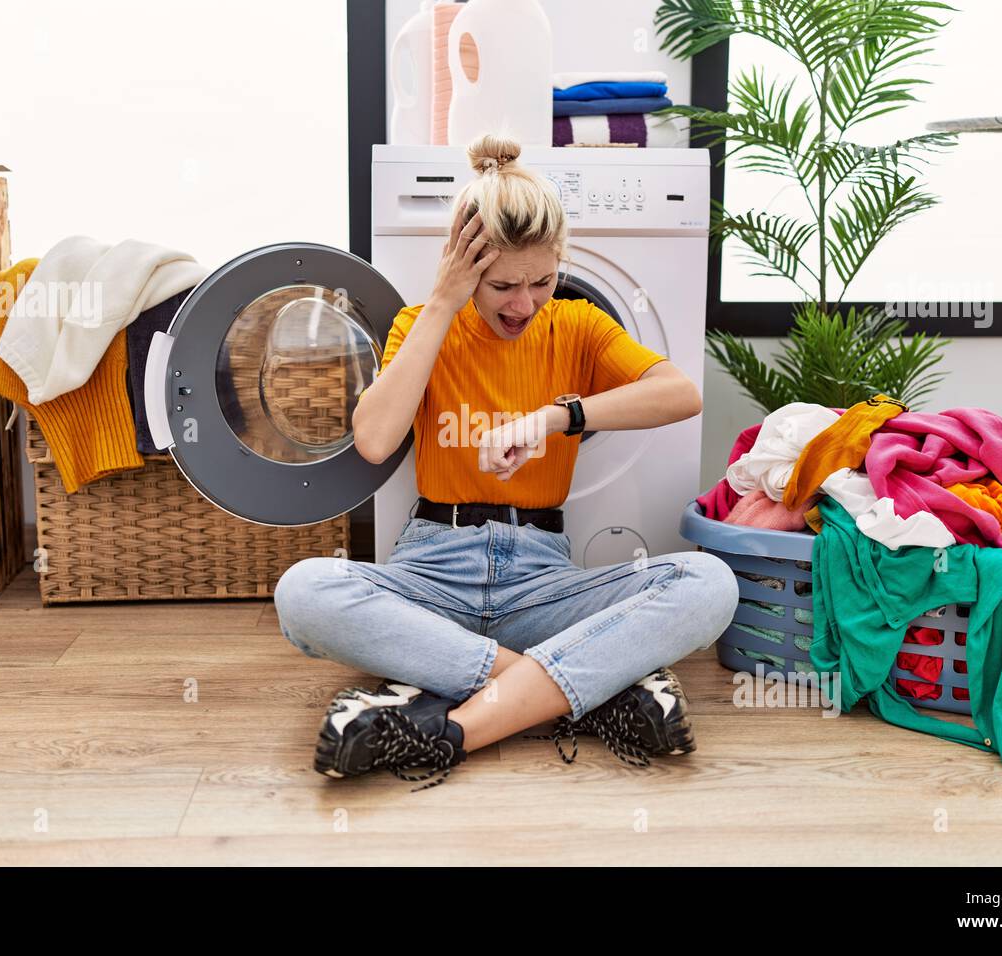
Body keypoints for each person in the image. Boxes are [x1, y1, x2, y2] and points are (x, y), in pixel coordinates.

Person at [274, 133, 738, 790]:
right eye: (501, 285)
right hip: (432, 574)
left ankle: (452, 726)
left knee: (709, 583)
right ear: (466, 269)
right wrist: (441, 302)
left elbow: (679, 394)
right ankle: (585, 691)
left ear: (561, 266)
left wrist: (557, 416)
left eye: (541, 281)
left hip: (542, 584)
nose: (523, 304)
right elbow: (375, 440)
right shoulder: (423, 323)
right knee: (303, 593)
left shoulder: (578, 327)